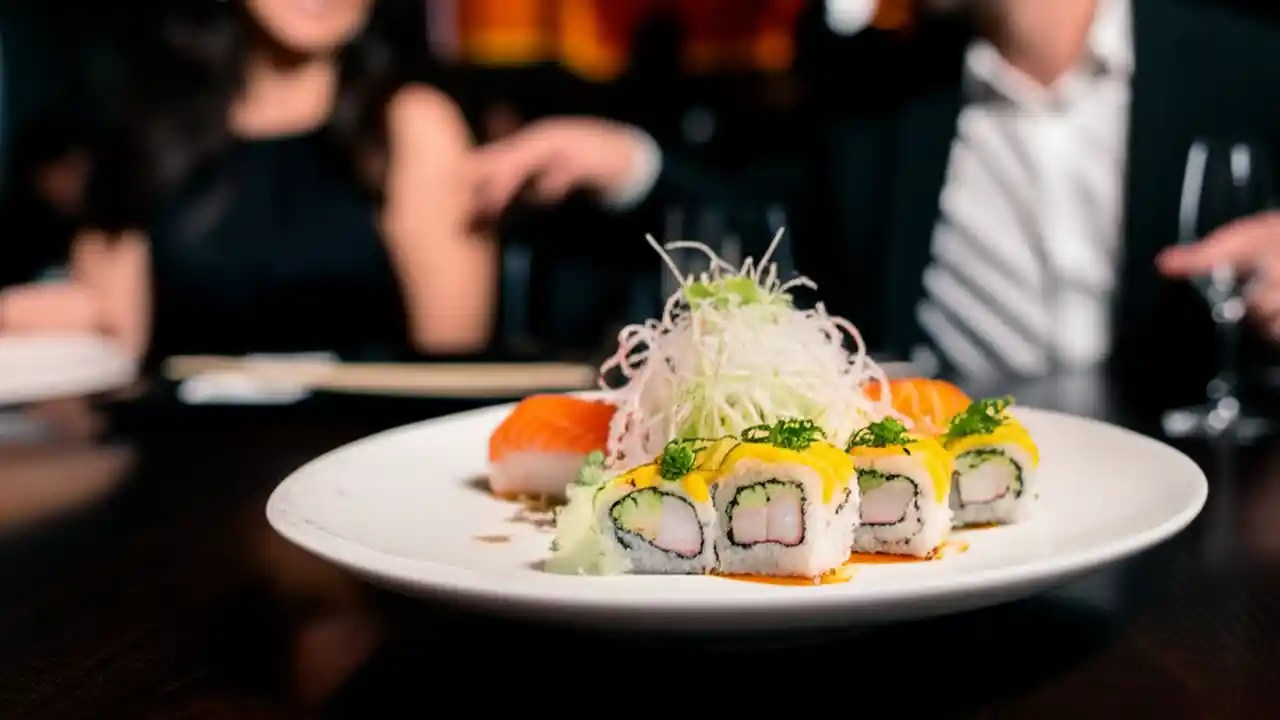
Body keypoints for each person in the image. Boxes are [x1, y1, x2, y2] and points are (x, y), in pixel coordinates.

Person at [470, 0, 1280, 406]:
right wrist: (626, 160)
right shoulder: (879, 97)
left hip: (1202, 501)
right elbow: (755, 215)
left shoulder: (1243, 66)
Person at [0, 0, 497, 364]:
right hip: (180, 468)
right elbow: (116, 340)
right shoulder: (151, 127)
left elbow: (451, 362)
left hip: (361, 468)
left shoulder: (413, 122)